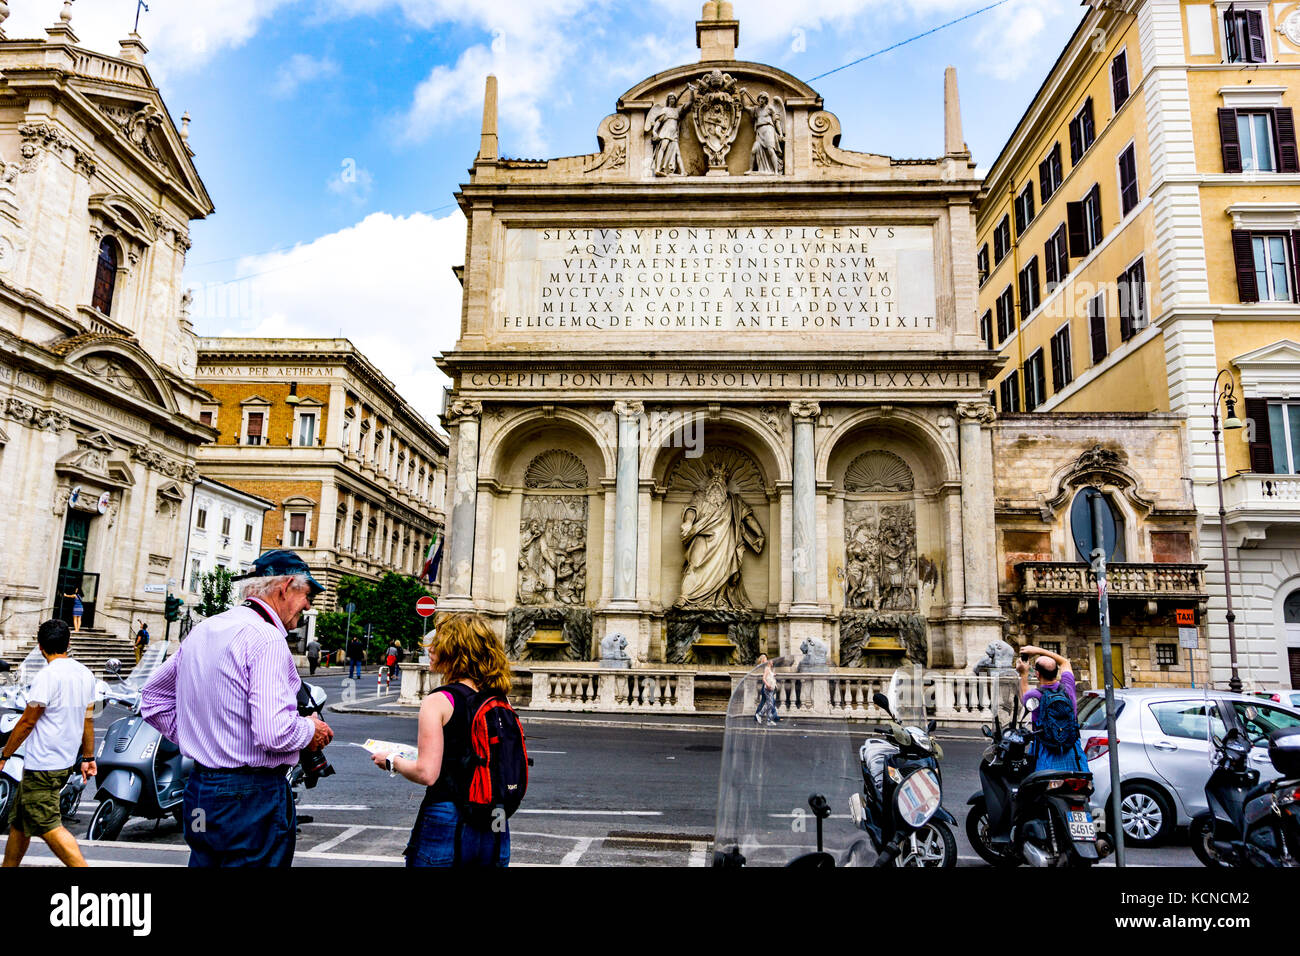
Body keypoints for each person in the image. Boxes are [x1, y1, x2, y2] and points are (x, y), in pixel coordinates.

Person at [140, 549, 333, 867]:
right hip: (250, 796)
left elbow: (153, 700)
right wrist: (313, 728)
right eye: (307, 593)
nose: (308, 605)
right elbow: (275, 733)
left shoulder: (203, 630)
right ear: (285, 587)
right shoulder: (266, 638)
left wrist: (201, 734)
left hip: (202, 790)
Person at [371, 612, 512, 867]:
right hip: (494, 814)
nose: (430, 650)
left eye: (437, 645)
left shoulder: (439, 701)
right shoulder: (499, 699)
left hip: (449, 812)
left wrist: (392, 760)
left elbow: (427, 773)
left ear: (455, 651)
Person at [1, 619, 97, 867]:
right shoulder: (85, 673)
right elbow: (88, 721)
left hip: (42, 764)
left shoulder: (47, 675)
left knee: (47, 825)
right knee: (21, 822)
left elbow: (27, 722)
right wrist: (88, 758)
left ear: (40, 645)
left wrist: (4, 755)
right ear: (68, 643)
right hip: (62, 762)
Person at [1017, 644, 1086, 772]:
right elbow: (1064, 662)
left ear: (1037, 674)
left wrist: (1024, 673)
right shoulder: (1068, 688)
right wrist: (1038, 650)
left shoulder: (1035, 696)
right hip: (1072, 750)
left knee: (1040, 787)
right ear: (1056, 672)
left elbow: (1023, 698)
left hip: (1046, 751)